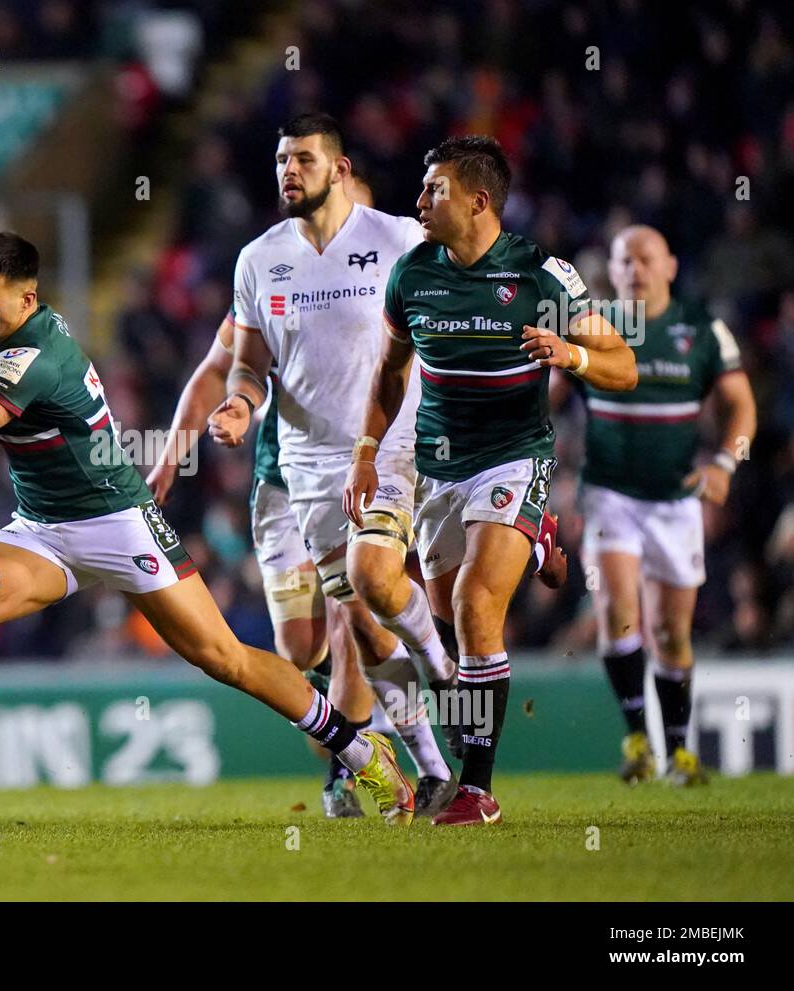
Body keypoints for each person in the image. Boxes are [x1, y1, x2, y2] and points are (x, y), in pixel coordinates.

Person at [0, 231, 418, 824]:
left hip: (117, 521)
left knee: (224, 658)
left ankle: (362, 752)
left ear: (27, 298)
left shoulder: (39, 354)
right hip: (42, 527)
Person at [346, 135, 638, 825]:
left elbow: (622, 364)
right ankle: (535, 541)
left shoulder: (541, 275)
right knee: (449, 632)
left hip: (514, 454)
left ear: (478, 200)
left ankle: (476, 788)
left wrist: (571, 352)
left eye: (433, 189)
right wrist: (365, 450)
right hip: (439, 466)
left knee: (480, 605)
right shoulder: (412, 274)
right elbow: (390, 371)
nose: (418, 200)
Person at [208, 113, 459, 816]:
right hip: (308, 466)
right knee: (367, 627)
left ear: (340, 169)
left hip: (389, 448)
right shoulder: (259, 259)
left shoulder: (397, 240)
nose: (290, 171)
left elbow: (445, 320)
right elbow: (251, 361)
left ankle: (444, 667)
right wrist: (237, 404)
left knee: (372, 575)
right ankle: (432, 769)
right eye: (282, 160)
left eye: (305, 160)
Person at [554, 224, 756, 786]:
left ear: (669, 266)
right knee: (619, 612)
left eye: (645, 259)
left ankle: (678, 751)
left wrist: (724, 464)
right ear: (612, 272)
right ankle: (637, 738)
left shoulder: (703, 328)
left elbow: (741, 409)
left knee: (671, 633)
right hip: (608, 493)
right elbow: (546, 405)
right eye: (624, 261)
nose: (635, 270)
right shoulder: (592, 327)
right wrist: (551, 476)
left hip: (676, 497)